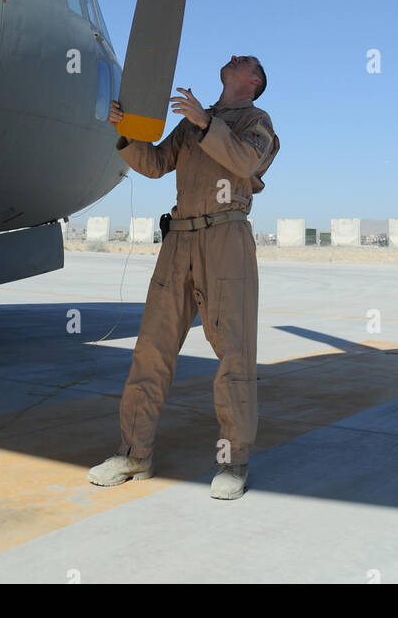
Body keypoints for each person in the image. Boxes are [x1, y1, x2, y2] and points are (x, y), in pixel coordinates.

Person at [87, 55, 279, 500]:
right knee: (150, 350)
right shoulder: (194, 124)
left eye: (245, 61)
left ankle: (234, 462)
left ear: (253, 81)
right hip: (178, 242)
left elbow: (246, 161)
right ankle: (134, 453)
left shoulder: (258, 121)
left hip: (225, 241)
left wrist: (206, 121)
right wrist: (127, 130)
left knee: (234, 353)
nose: (233, 58)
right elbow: (155, 164)